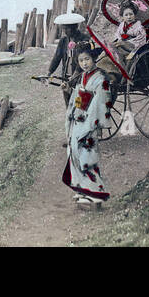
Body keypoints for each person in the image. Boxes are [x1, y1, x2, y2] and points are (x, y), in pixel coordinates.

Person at [62, 46, 110, 206]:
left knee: (88, 156)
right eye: (81, 60)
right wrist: (70, 91)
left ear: (93, 59)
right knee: (74, 151)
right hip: (79, 118)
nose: (84, 63)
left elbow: (99, 101)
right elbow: (78, 96)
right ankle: (82, 189)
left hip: (89, 120)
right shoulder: (84, 77)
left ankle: (96, 191)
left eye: (87, 59)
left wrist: (88, 118)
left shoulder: (100, 78)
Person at [47, 14, 90, 105]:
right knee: (68, 103)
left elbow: (84, 60)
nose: (65, 31)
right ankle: (70, 118)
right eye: (63, 29)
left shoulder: (84, 39)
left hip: (80, 76)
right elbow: (57, 57)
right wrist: (50, 72)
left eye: (67, 29)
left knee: (79, 103)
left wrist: (75, 75)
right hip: (66, 76)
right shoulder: (63, 40)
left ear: (75, 27)